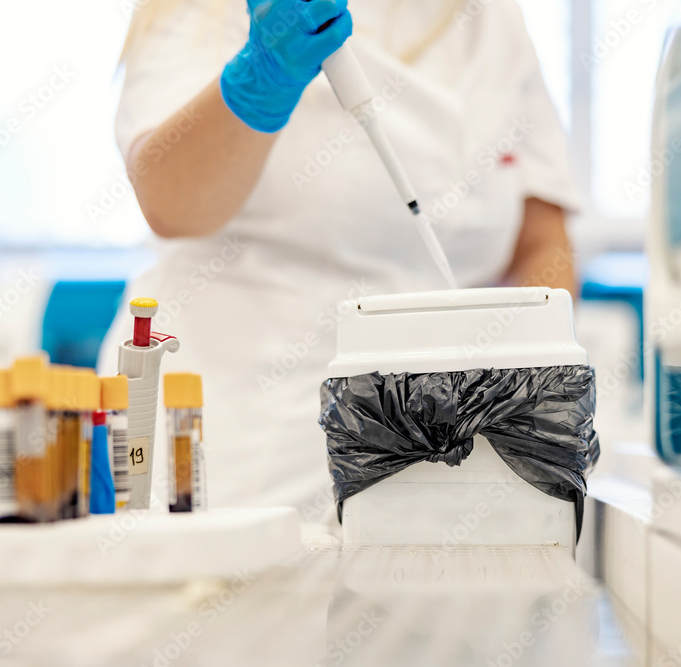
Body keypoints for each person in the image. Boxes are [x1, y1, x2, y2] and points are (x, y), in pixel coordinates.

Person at [100, 0, 582, 523]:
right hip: (233, 438)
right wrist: (263, 79)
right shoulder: (215, 10)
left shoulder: (492, 19)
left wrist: (509, 389)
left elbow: (543, 244)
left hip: (429, 457)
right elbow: (172, 202)